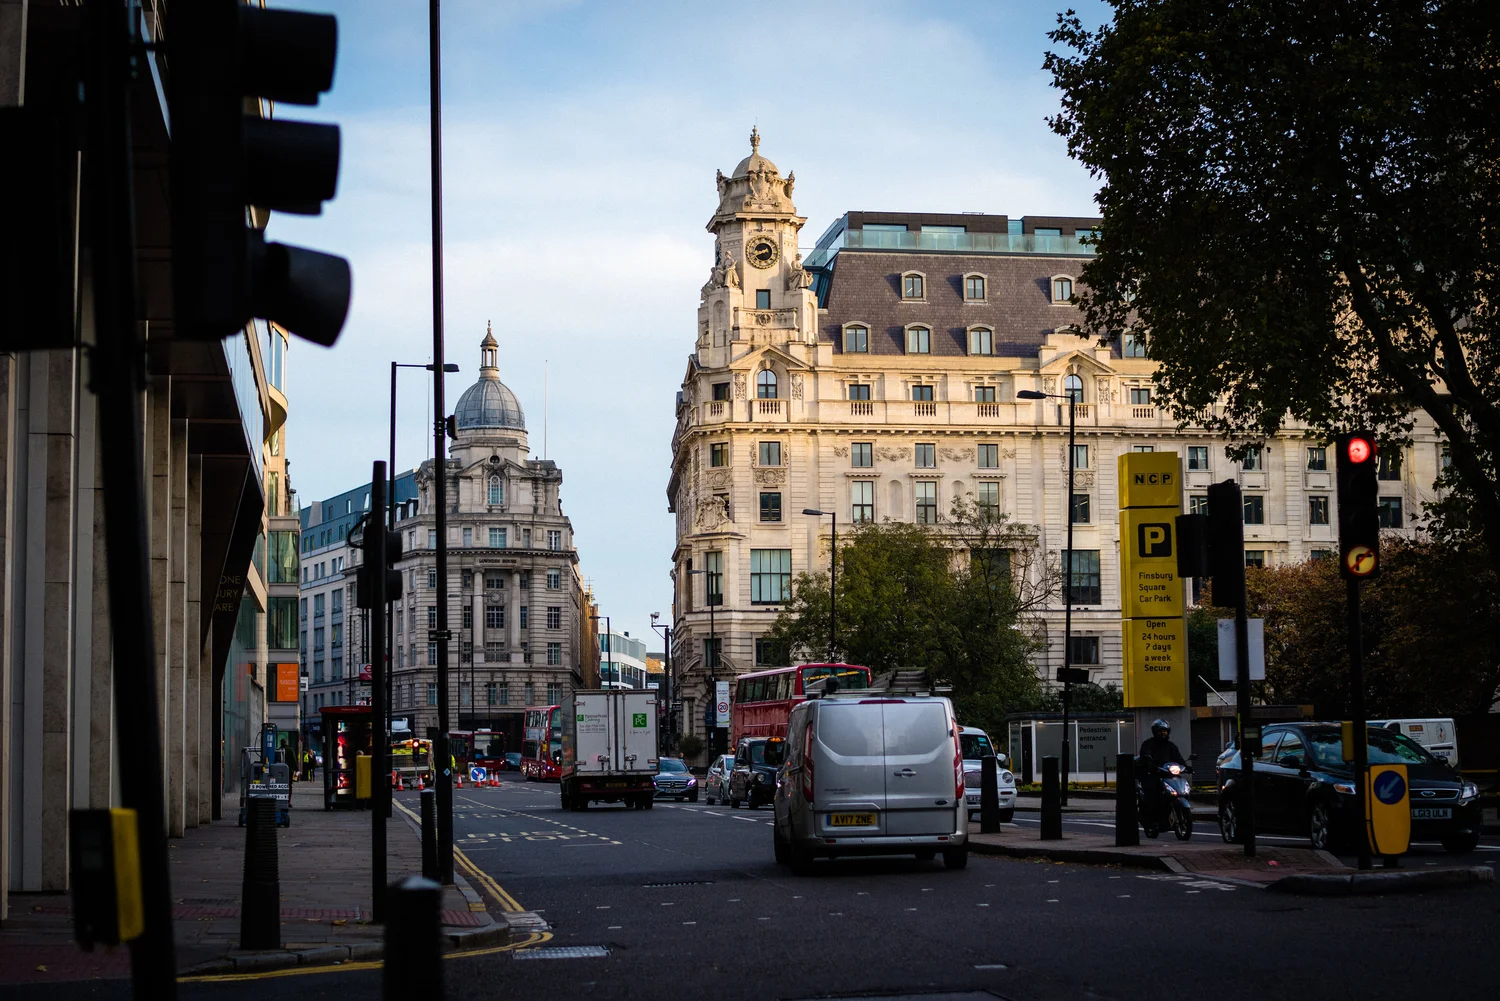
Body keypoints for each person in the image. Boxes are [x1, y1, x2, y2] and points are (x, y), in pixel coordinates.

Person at [1137, 718, 1186, 832]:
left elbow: (1178, 758)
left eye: (1165, 730)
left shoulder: (1171, 746)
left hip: (1168, 775)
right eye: (1160, 731)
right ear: (1155, 732)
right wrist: (1151, 764)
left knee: (1180, 786)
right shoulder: (1148, 744)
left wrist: (1186, 766)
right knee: (1152, 793)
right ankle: (1151, 820)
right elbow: (1145, 756)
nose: (1163, 733)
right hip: (1153, 775)